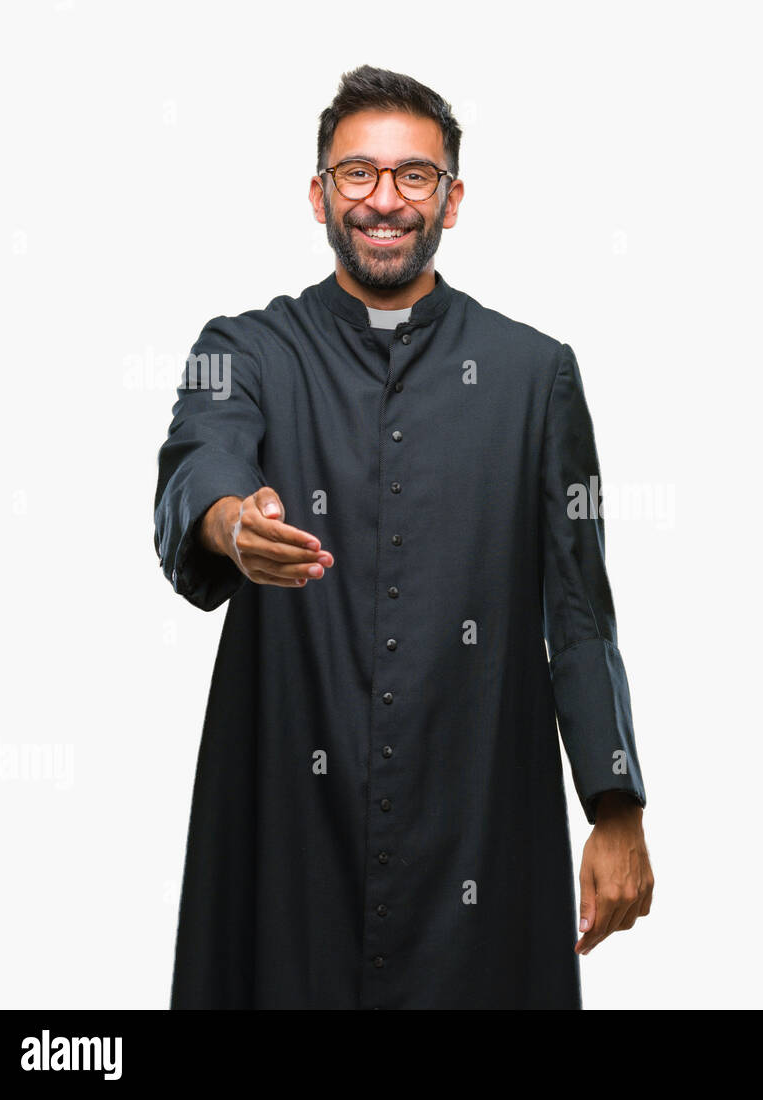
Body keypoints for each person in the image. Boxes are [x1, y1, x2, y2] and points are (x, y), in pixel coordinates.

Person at [153, 65, 653, 1009]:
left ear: (452, 199)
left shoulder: (534, 374)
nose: (384, 200)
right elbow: (200, 462)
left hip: (475, 825)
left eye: (414, 176)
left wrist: (615, 804)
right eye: (357, 175)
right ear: (318, 195)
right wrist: (232, 524)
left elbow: (581, 612)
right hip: (287, 832)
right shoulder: (242, 350)